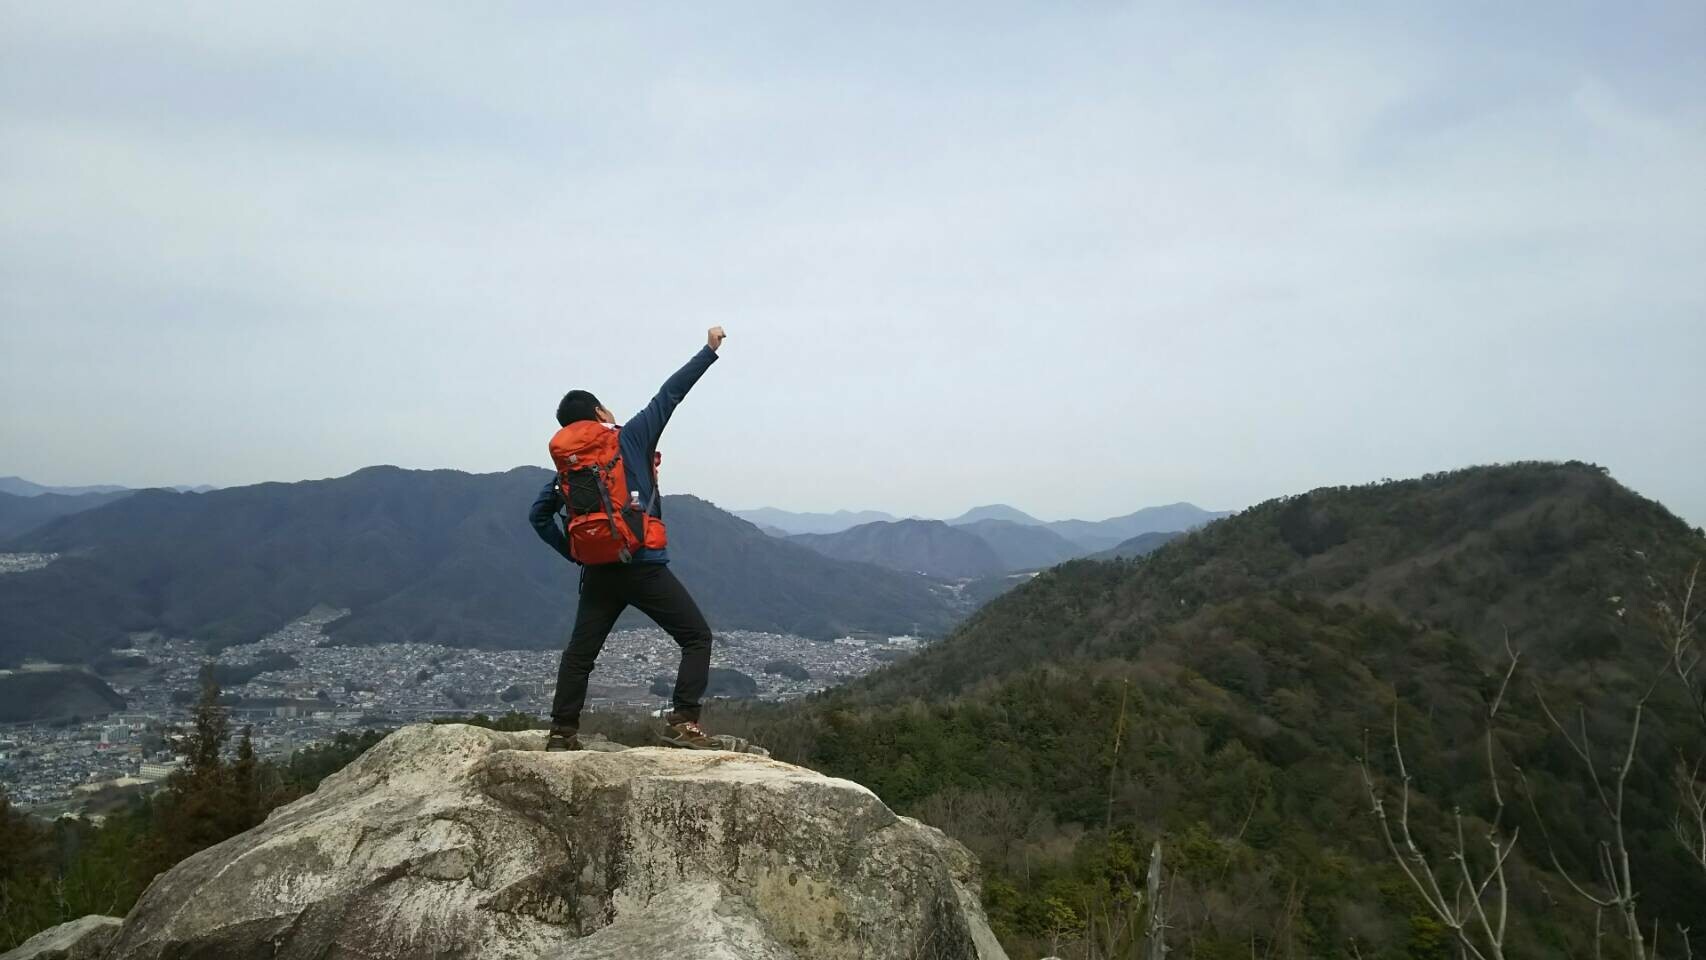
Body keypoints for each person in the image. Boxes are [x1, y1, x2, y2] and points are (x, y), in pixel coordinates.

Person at [529, 326, 727, 751]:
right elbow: (669, 395)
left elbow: (538, 516)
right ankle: (683, 722)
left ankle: (562, 733)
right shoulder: (629, 438)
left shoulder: (569, 472)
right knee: (696, 637)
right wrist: (708, 351)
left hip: (598, 571)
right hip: (642, 565)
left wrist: (576, 552)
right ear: (600, 412)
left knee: (580, 654)